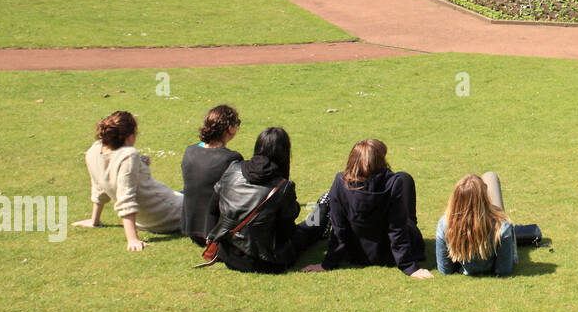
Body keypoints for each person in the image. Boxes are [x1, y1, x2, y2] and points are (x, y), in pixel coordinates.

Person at [304, 139, 432, 278]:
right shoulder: (393, 183)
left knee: (403, 178)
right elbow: (396, 228)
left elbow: (339, 227)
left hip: (356, 253)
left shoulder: (340, 182)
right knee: (405, 178)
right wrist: (409, 266)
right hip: (388, 254)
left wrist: (328, 263)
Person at [207, 127, 326, 273]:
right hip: (265, 261)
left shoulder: (233, 169)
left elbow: (213, 208)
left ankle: (323, 211)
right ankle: (324, 208)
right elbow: (287, 233)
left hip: (228, 254)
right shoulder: (282, 187)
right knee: (308, 228)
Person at [74, 111, 182, 250]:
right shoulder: (128, 155)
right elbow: (126, 197)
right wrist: (132, 239)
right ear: (130, 136)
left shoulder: (93, 151)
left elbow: (100, 186)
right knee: (210, 191)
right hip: (170, 213)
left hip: (144, 220)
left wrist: (94, 221)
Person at [181, 105, 243, 245]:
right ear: (230, 128)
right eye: (237, 123)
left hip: (191, 229)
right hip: (215, 232)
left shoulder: (189, 151)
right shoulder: (231, 158)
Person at [435, 173, 518, 277]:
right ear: (484, 198)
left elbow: (445, 269)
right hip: (493, 226)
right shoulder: (501, 227)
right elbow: (504, 270)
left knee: (489, 177)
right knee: (490, 176)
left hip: (466, 264)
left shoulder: (444, 224)